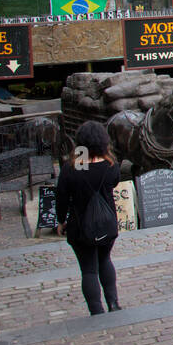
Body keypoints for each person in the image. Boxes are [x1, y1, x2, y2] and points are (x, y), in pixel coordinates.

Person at [54, 120, 122, 315]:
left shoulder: (72, 169)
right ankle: (113, 303)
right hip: (106, 224)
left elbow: (62, 196)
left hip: (81, 226)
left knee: (89, 269)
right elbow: (114, 181)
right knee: (105, 261)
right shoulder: (111, 166)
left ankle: (96, 309)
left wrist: (61, 220)